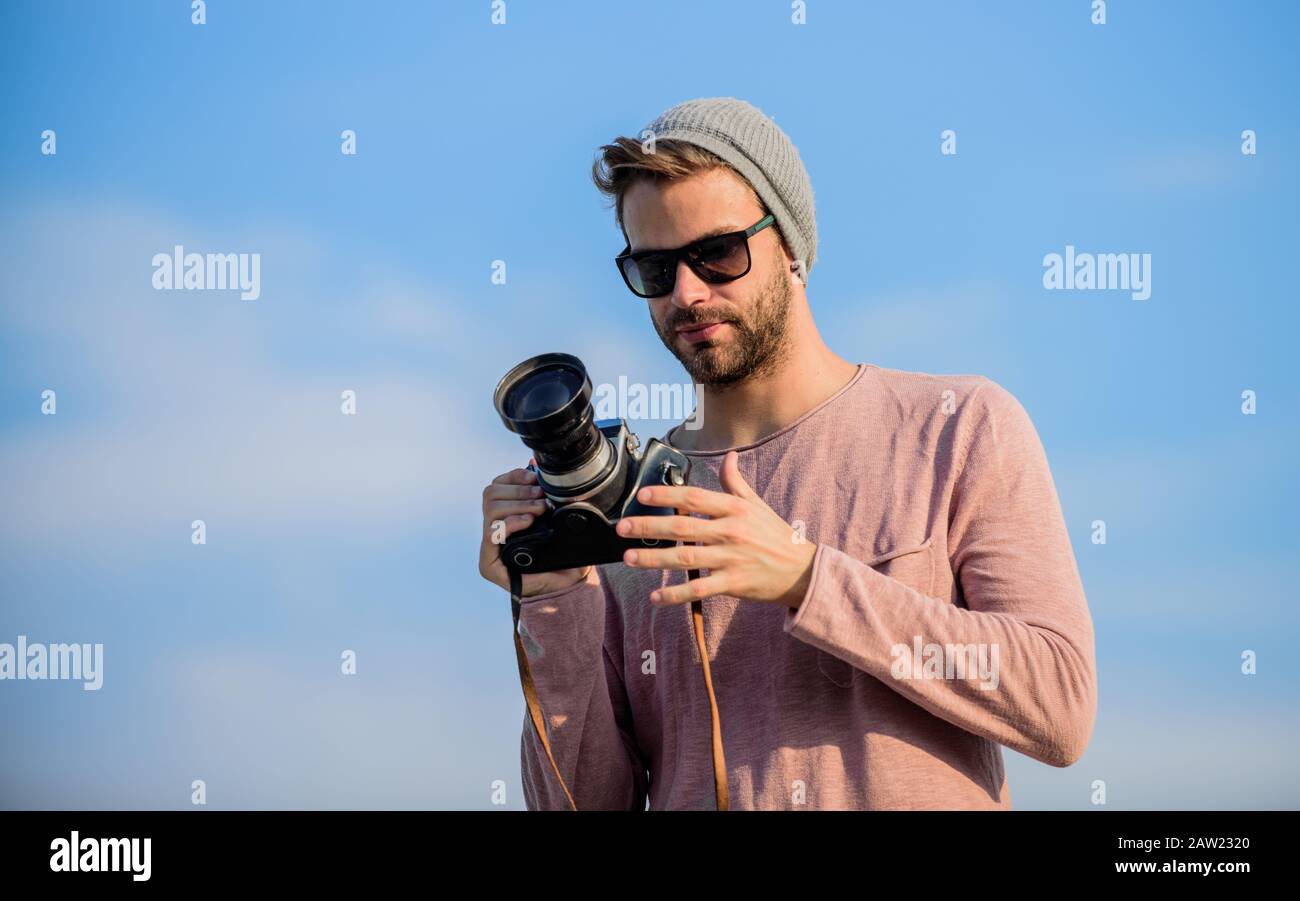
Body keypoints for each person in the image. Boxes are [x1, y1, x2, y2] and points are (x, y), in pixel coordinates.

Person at [477, 97, 1097, 810]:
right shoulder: (631, 503)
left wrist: (809, 579)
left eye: (717, 254)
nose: (687, 292)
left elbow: (1060, 703)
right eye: (654, 269)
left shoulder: (958, 426)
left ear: (793, 246)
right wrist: (552, 598)